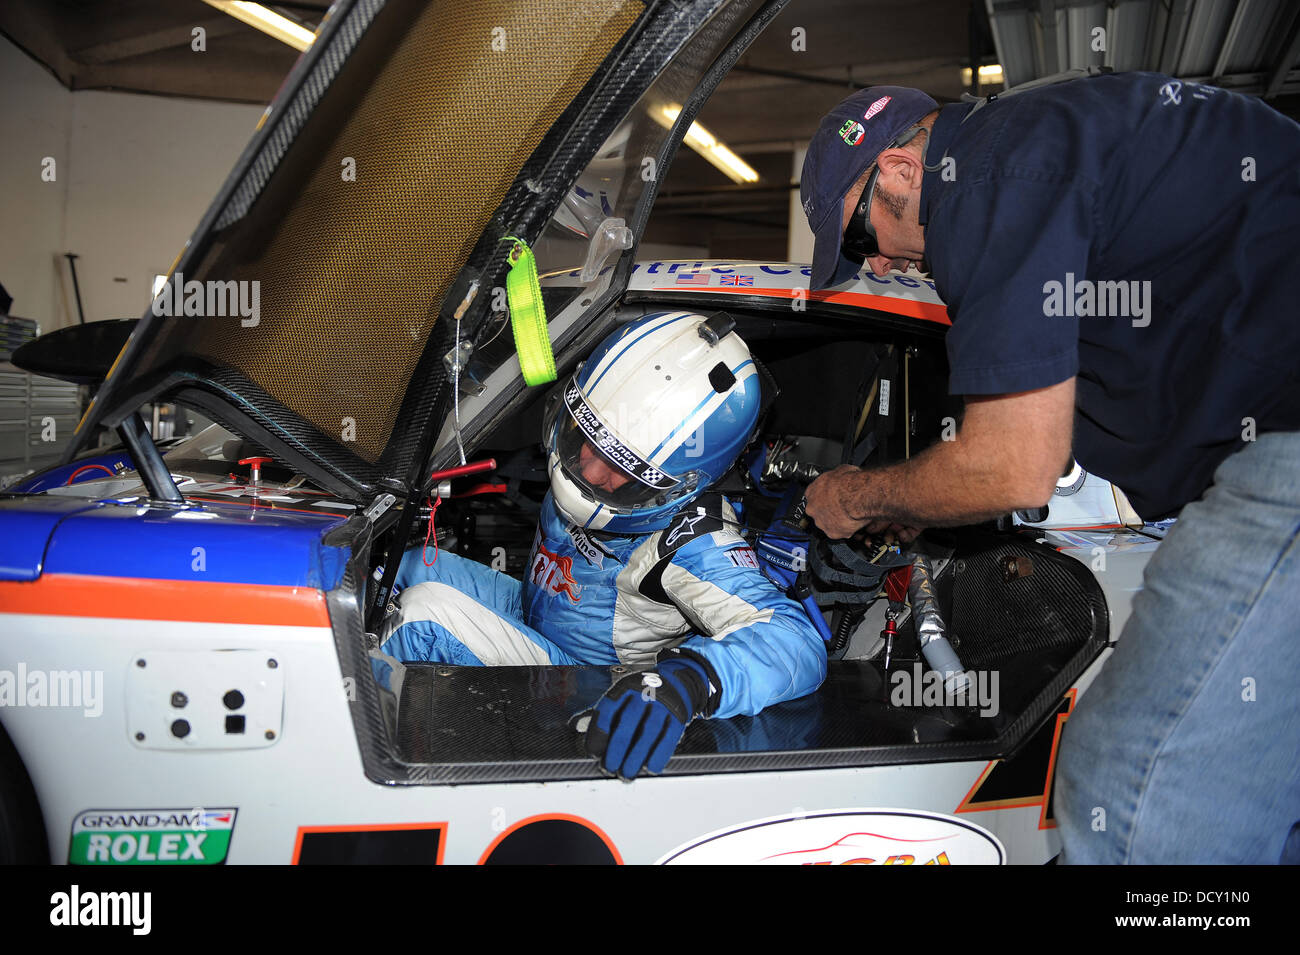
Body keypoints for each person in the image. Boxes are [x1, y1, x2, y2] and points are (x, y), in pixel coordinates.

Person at [798, 77, 1300, 863]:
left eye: (861, 237)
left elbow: (1011, 469)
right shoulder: (1047, 136)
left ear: (899, 170)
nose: (881, 263)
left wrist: (857, 497)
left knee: (1129, 795)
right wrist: (932, 501)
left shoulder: (991, 181)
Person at [376, 310, 826, 780]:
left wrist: (684, 682)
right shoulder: (589, 455)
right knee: (400, 566)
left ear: (676, 486)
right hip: (536, 608)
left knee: (423, 614)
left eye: (621, 471)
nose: (588, 471)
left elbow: (797, 642)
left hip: (582, 681)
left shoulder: (693, 538)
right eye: (585, 439)